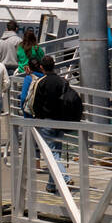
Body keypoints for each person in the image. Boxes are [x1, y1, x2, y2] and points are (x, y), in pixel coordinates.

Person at [30, 55, 74, 191]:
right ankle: (51, 184)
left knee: (51, 154)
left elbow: (35, 103)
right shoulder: (63, 82)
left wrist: (36, 117)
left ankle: (65, 178)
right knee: (56, 152)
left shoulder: (41, 82)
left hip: (46, 121)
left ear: (41, 67)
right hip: (61, 121)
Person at [16, 28, 45, 109]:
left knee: (22, 93)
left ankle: (21, 108)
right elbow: (42, 58)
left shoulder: (19, 47)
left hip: (22, 73)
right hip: (33, 75)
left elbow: (18, 58)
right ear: (34, 38)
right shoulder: (36, 48)